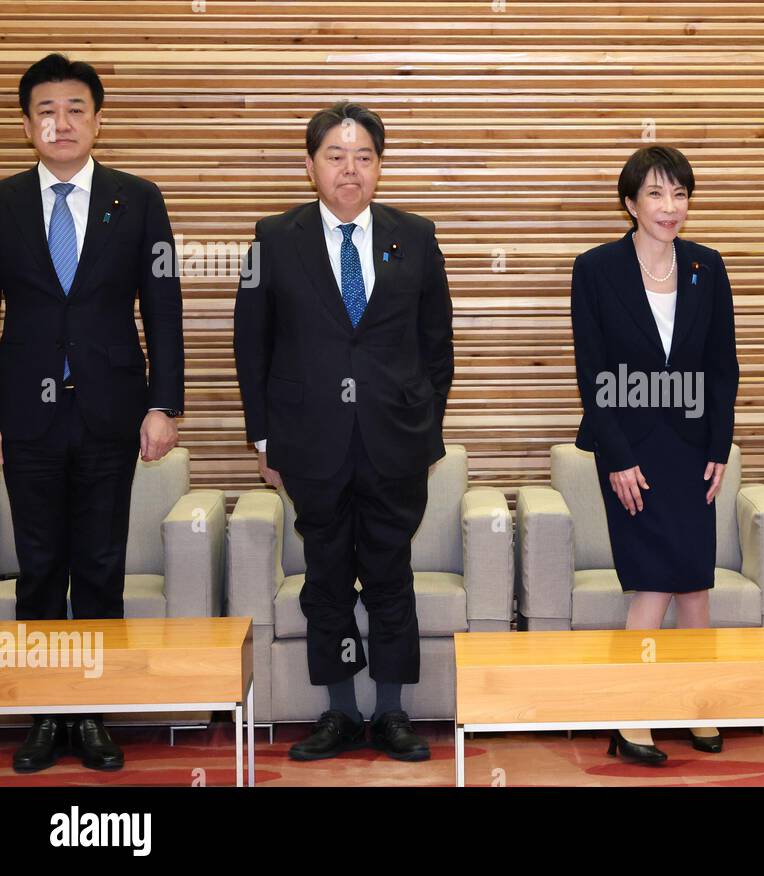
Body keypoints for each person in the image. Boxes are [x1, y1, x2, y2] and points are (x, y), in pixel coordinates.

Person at [234, 101, 454, 762]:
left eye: (363, 157)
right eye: (335, 156)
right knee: (326, 575)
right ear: (311, 166)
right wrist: (266, 441)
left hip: (394, 441)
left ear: (379, 167)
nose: (349, 169)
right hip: (310, 442)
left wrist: (421, 424)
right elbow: (252, 344)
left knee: (390, 572)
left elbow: (437, 346)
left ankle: (391, 711)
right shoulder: (272, 238)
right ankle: (337, 711)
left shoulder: (415, 236)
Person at [2, 54, 184, 773]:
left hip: (113, 410)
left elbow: (163, 308)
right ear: (26, 126)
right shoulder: (6, 202)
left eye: (76, 108)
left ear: (98, 119)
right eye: (47, 110)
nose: (62, 121)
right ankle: (46, 715)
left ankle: (94, 712)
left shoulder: (137, 199)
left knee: (101, 567)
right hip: (26, 413)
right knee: (41, 568)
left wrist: (164, 402)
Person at [570, 145, 739, 764]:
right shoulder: (595, 270)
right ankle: (632, 716)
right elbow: (593, 375)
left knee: (695, 585)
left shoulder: (706, 267)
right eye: (657, 195)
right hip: (630, 449)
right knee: (650, 585)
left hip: (693, 449)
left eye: (680, 195)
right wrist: (615, 456)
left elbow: (723, 366)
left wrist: (719, 444)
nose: (671, 208)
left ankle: (695, 707)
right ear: (630, 204)